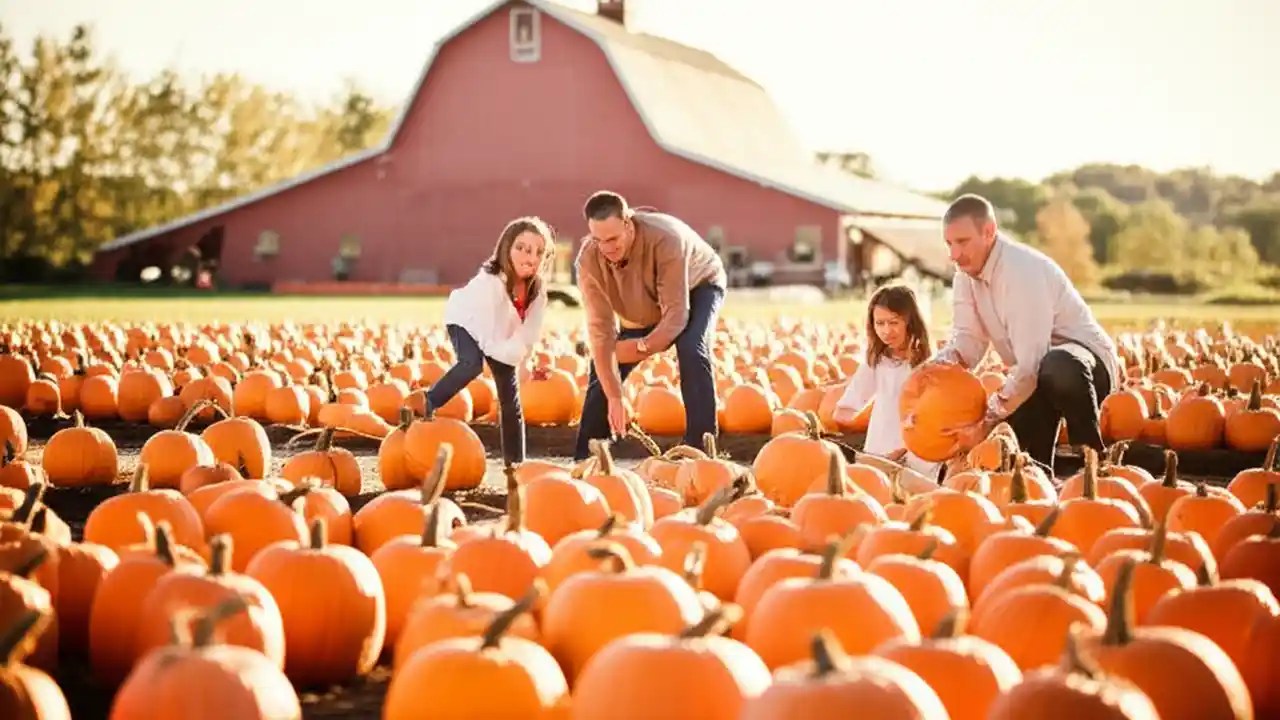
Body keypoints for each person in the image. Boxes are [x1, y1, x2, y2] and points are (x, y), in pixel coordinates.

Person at [930, 193, 1120, 473]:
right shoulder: (965, 275)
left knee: (1055, 366)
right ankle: (1042, 479)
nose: (954, 255)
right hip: (1035, 378)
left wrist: (987, 420)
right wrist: (934, 370)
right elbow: (968, 342)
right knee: (1021, 464)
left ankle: (1094, 460)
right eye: (949, 243)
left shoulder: (1021, 271)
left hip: (1084, 368)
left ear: (989, 232)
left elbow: (1033, 362)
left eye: (962, 242)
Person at [572, 190, 727, 461]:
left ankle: (700, 450)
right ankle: (589, 454)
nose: (607, 248)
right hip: (642, 302)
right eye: (599, 240)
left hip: (696, 285)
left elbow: (676, 316)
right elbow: (600, 332)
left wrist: (642, 346)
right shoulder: (588, 262)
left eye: (613, 239)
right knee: (604, 366)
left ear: (628, 224)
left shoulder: (666, 240)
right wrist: (615, 395)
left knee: (692, 349)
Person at [423, 216, 554, 465]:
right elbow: (488, 336)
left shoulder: (537, 293)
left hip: (499, 336)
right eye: (523, 249)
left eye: (539, 252)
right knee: (471, 364)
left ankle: (515, 464)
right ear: (507, 249)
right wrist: (506, 360)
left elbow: (527, 334)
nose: (531, 257)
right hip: (467, 320)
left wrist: (522, 364)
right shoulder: (490, 283)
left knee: (509, 395)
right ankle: (429, 402)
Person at [832, 283, 942, 478]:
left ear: (910, 322)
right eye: (879, 323)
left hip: (918, 457)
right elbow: (847, 407)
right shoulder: (876, 360)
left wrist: (905, 449)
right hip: (880, 451)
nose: (886, 331)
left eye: (894, 322)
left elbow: (934, 419)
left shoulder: (929, 364)